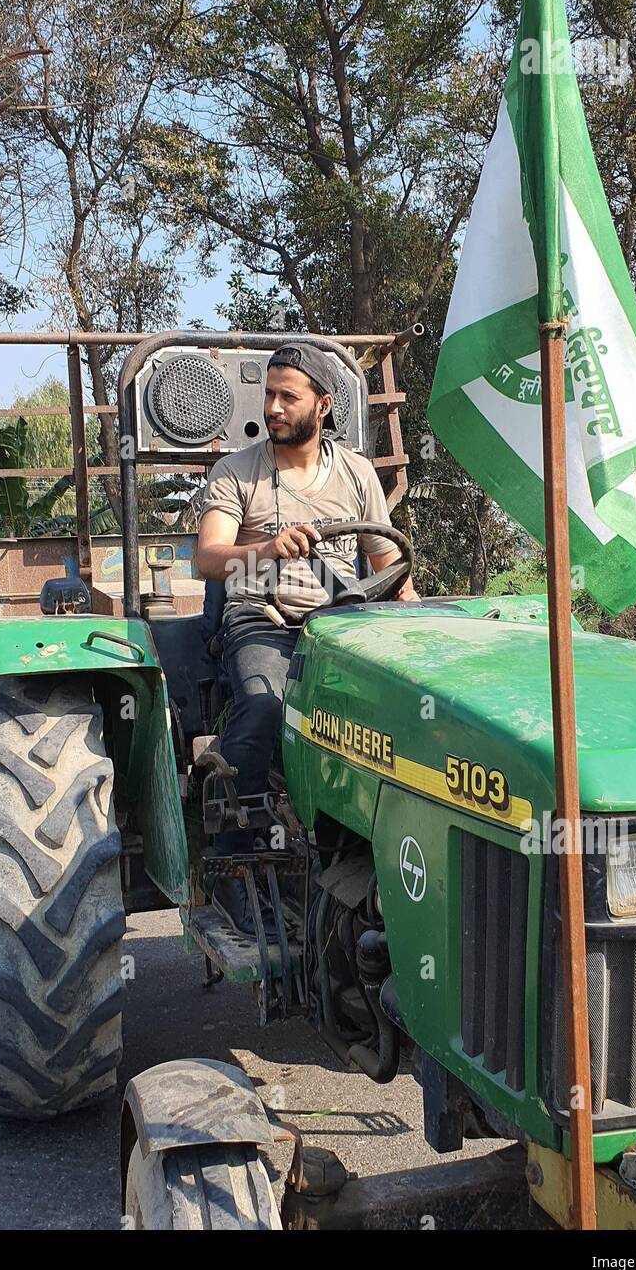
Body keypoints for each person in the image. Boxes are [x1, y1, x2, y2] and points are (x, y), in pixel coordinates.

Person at [196, 343, 418, 928]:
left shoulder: (357, 472)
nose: (271, 406)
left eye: (286, 396)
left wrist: (414, 619)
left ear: (323, 405)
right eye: (268, 394)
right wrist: (265, 548)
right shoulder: (237, 472)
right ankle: (232, 865)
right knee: (270, 708)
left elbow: (389, 564)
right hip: (261, 621)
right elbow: (209, 559)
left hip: (343, 626)